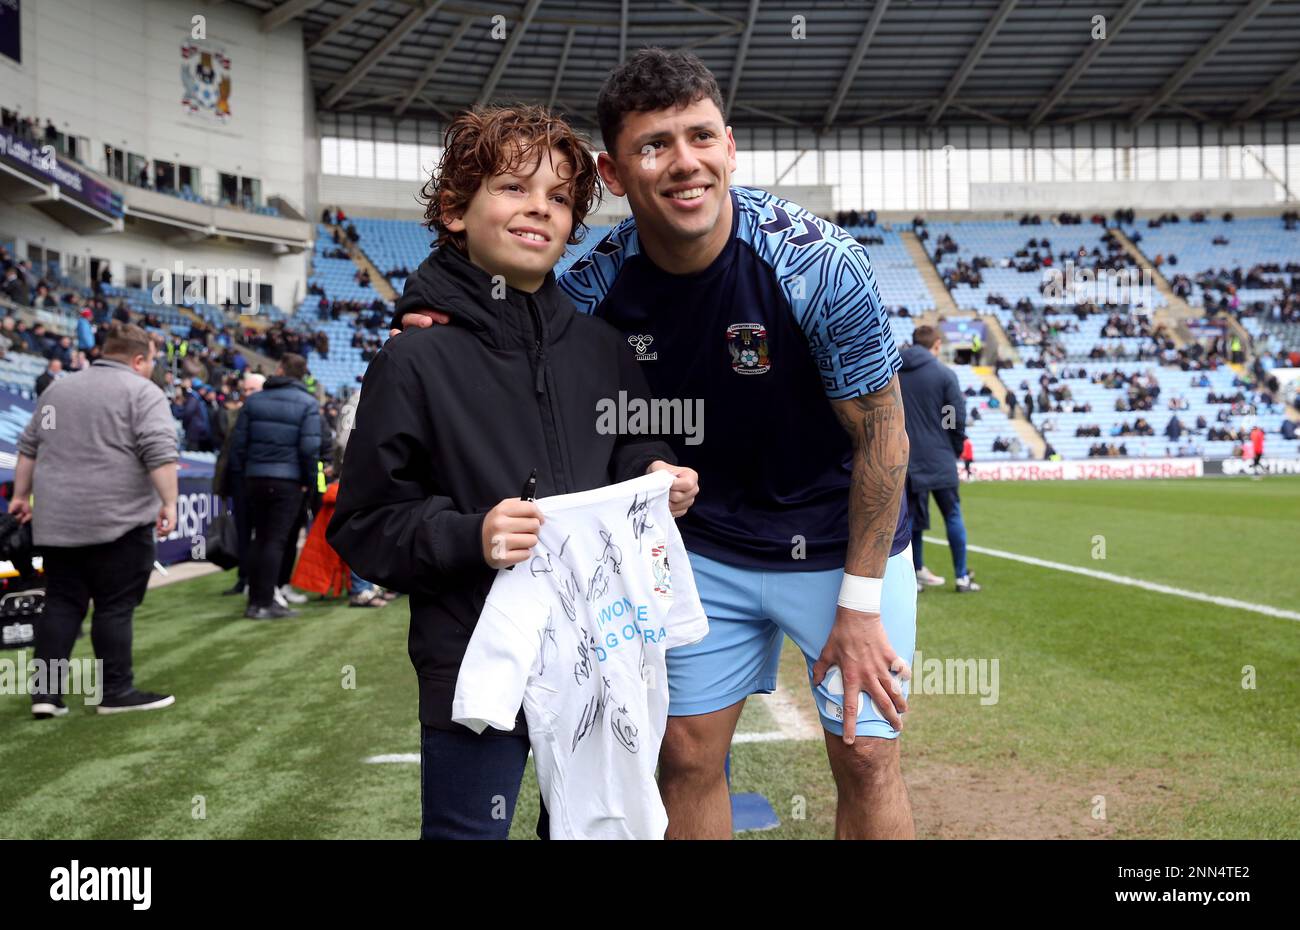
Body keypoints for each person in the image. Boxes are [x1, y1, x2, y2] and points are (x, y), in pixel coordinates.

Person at [392, 49, 916, 840]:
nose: (685, 164)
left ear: (730, 145)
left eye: (701, 137)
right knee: (681, 760)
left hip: (839, 543)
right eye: (654, 146)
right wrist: (433, 307)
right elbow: (508, 311)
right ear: (612, 169)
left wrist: (861, 603)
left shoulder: (818, 266)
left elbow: (884, 432)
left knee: (867, 757)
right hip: (698, 541)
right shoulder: (597, 289)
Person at [327, 104, 695, 840]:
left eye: (559, 197)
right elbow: (363, 525)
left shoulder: (604, 350)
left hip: (601, 648)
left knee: (598, 830)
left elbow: (630, 454)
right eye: (513, 189)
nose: (539, 209)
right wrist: (472, 536)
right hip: (472, 654)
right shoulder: (413, 359)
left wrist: (660, 475)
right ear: (455, 211)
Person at [10, 323, 178, 718]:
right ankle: (115, 692)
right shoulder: (142, 392)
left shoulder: (58, 389)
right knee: (114, 605)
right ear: (139, 360)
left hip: (58, 521)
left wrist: (20, 496)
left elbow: (30, 447)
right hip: (117, 519)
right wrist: (169, 502)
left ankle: (46, 696)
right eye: (150, 360)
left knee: (62, 603)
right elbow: (159, 452)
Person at [229, 353, 321, 620]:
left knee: (260, 538)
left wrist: (245, 475)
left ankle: (256, 601)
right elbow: (310, 448)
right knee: (275, 541)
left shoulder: (254, 401)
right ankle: (265, 601)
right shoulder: (308, 403)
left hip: (255, 478)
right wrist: (308, 482)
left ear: (280, 370)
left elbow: (238, 446)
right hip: (288, 481)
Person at [899, 326, 980, 594]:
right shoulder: (945, 374)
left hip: (907, 458)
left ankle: (913, 576)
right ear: (936, 345)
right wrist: (954, 448)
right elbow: (955, 417)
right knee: (953, 515)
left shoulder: (895, 372)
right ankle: (961, 577)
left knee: (910, 521)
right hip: (940, 456)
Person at [213, 373, 265, 597]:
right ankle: (244, 577)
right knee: (243, 532)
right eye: (246, 390)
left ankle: (264, 580)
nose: (247, 394)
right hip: (240, 481)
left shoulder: (267, 413)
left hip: (261, 480)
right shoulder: (236, 414)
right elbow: (227, 446)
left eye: (252, 390)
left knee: (264, 534)